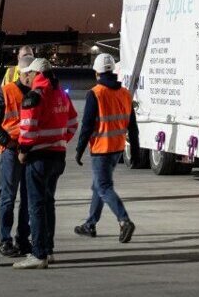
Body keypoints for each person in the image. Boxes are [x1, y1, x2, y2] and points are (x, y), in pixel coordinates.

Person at [11, 58, 77, 270]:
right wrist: (59, 141)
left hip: (38, 157)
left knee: (36, 205)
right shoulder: (62, 95)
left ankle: (39, 254)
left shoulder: (35, 96)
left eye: (28, 74)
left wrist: (22, 151)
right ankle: (48, 249)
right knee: (48, 203)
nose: (26, 77)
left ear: (35, 74)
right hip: (58, 156)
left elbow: (28, 129)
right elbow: (73, 123)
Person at [73, 53, 139, 242]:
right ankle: (90, 224)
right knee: (98, 187)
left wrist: (79, 150)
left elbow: (87, 126)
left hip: (101, 149)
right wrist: (134, 149)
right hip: (117, 148)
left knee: (103, 187)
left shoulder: (95, 93)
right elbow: (133, 126)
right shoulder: (125, 94)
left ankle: (124, 220)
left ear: (97, 73)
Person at [0, 51, 33, 258]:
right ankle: (5, 240)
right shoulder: (6, 92)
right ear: (23, 73)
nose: (35, 77)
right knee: (8, 198)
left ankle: (22, 239)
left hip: (31, 152)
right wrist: (8, 143)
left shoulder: (37, 93)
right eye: (32, 73)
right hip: (12, 153)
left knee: (27, 199)